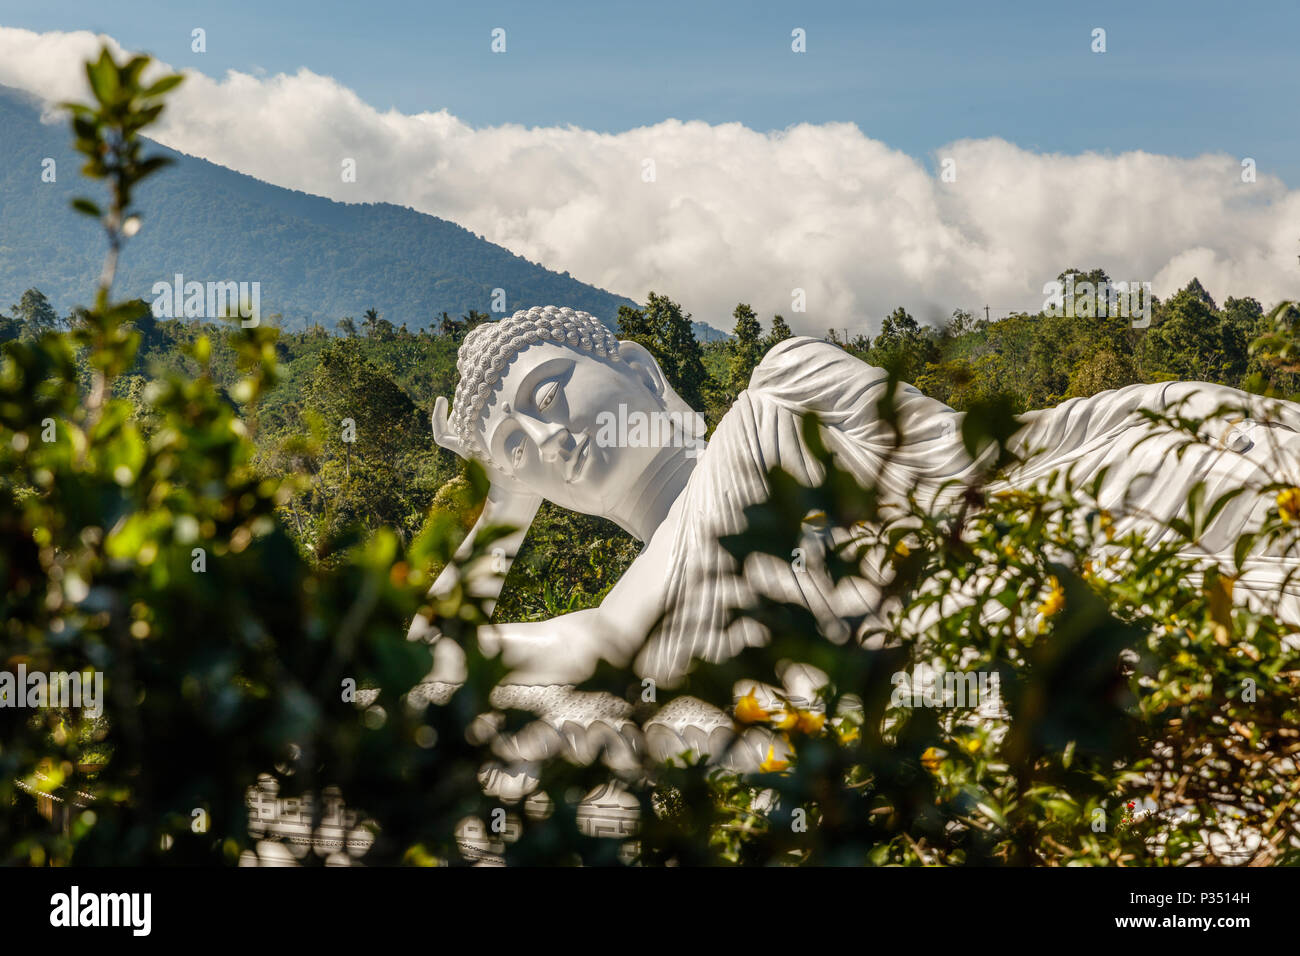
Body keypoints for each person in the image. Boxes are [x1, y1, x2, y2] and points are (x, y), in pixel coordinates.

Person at [412, 305, 1300, 689]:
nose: (547, 438)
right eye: (518, 449)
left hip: (1006, 548)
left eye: (549, 394)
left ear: (637, 368)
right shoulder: (616, 618)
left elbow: (980, 456)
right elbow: (421, 658)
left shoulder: (781, 385)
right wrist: (499, 500)